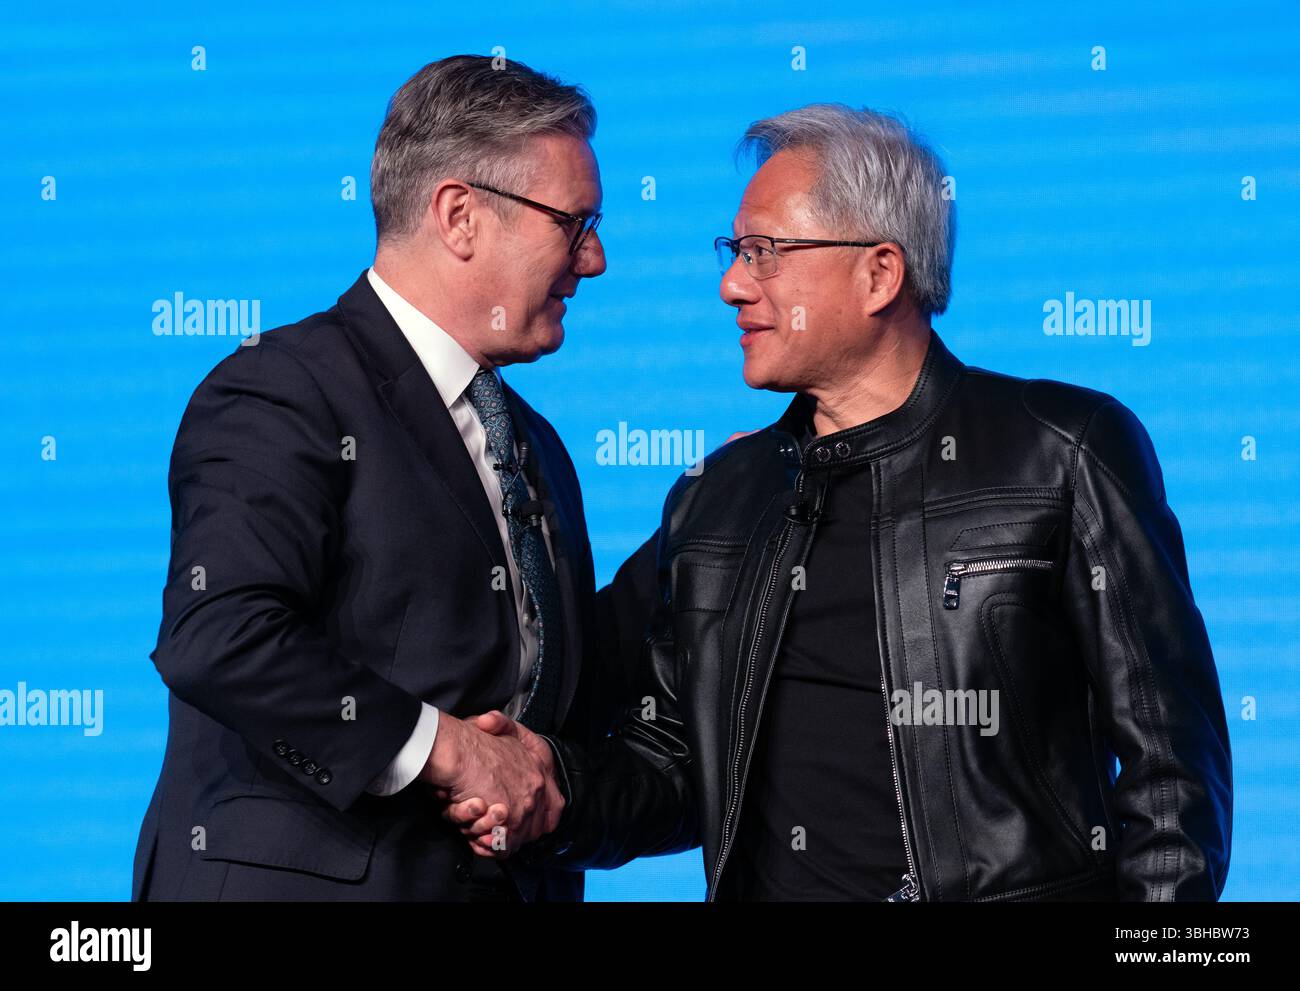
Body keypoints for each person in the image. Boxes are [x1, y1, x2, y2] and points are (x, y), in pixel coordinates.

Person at [454, 103, 1233, 902]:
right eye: (734, 252)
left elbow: (1171, 771)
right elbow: (673, 765)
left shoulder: (1065, 448)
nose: (731, 285)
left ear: (880, 273)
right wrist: (557, 796)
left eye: (764, 253)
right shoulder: (718, 499)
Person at [131, 53, 616, 901]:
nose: (597, 258)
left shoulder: (538, 447)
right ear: (460, 216)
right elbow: (221, 632)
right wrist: (451, 750)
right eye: (573, 224)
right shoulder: (284, 386)